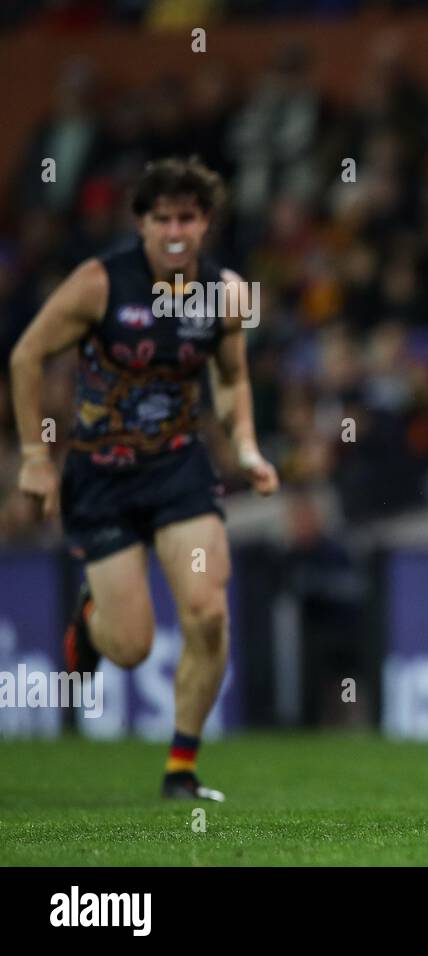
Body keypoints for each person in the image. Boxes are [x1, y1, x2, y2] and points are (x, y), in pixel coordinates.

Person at [10, 157, 278, 801]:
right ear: (143, 224)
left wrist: (244, 444)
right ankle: (92, 616)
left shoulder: (227, 293)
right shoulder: (100, 284)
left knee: (208, 611)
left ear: (206, 222)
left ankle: (181, 770)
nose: (176, 230)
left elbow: (233, 375)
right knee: (129, 648)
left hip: (179, 468)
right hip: (100, 475)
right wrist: (35, 456)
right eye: (163, 218)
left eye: (188, 216)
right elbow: (26, 355)